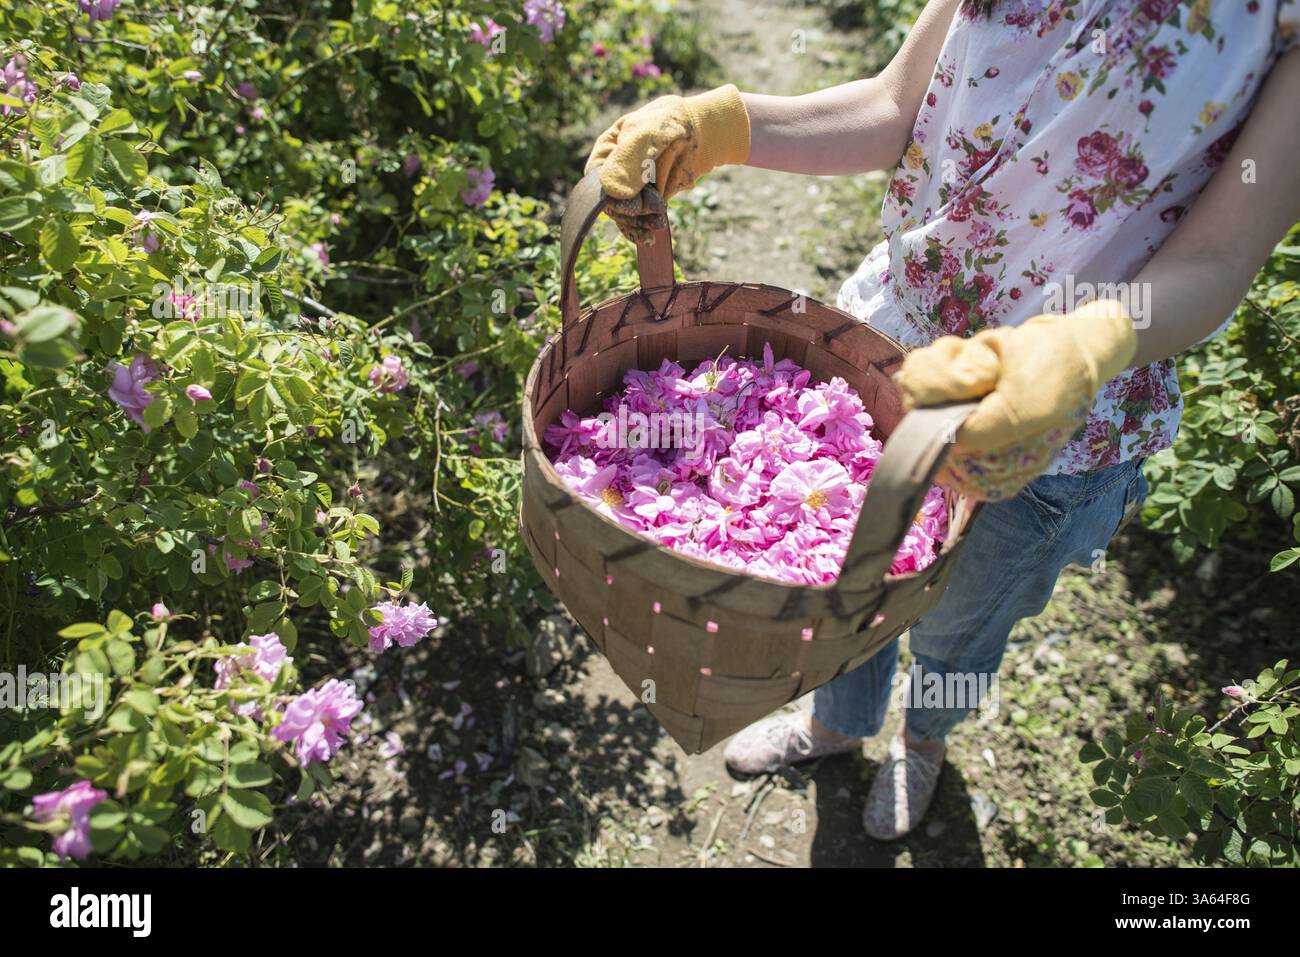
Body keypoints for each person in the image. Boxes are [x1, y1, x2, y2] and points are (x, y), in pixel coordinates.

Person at [585, 0, 1300, 840]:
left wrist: (1091, 338)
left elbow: (1220, 259)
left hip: (1050, 425)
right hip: (885, 357)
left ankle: (923, 741)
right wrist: (723, 127)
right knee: (845, 586)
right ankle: (837, 725)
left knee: (959, 625)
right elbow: (897, 108)